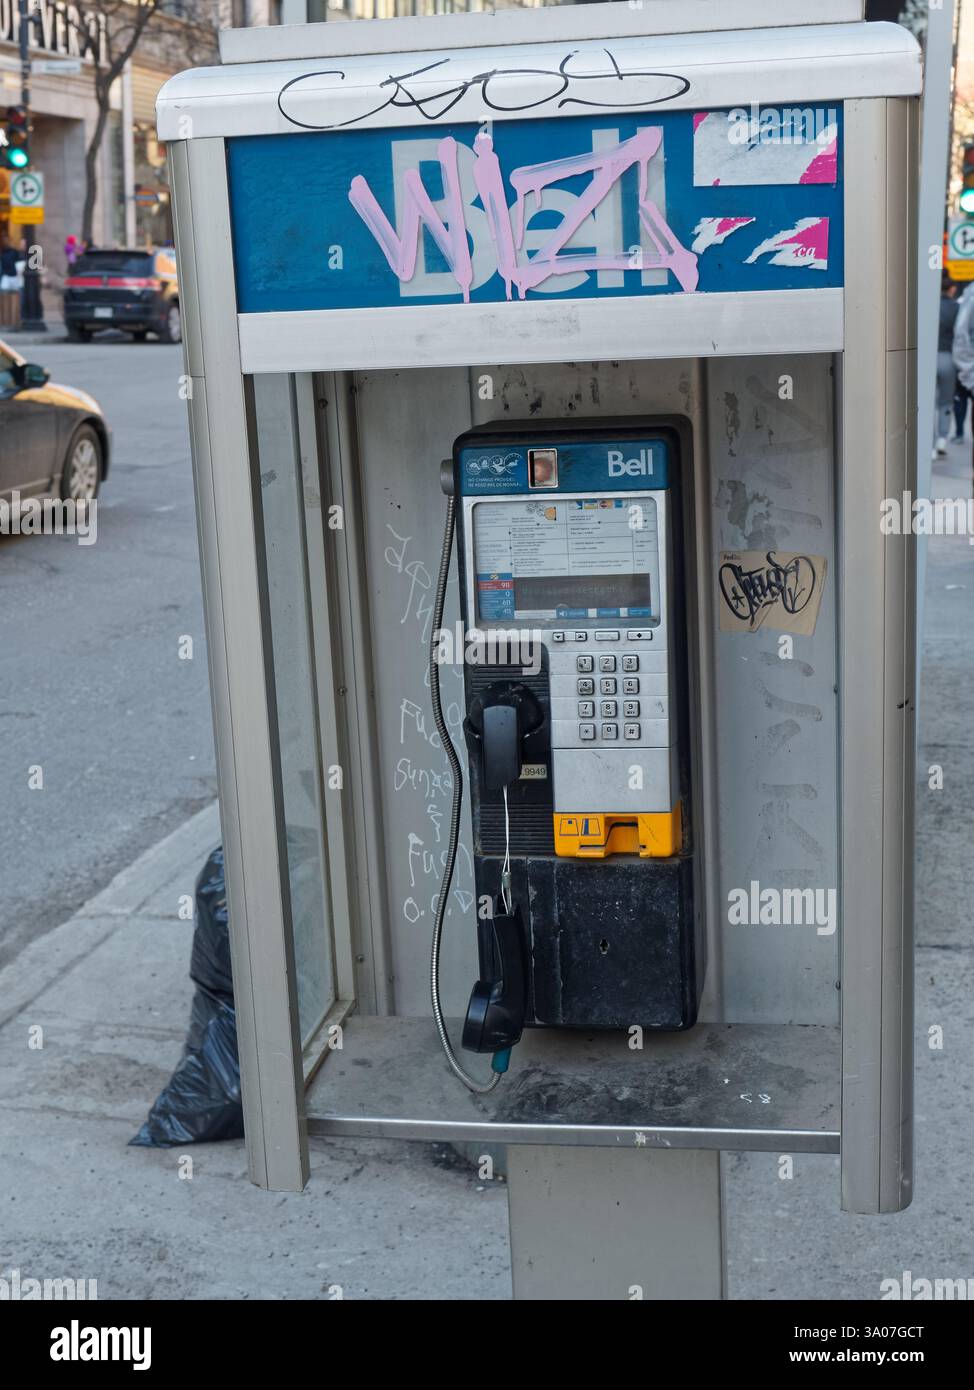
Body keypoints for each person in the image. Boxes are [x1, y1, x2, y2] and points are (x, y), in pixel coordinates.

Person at [936, 277, 961, 456]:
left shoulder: (930, 306)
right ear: (951, 289)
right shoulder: (956, 307)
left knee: (927, 402)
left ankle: (929, 446)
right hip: (949, 357)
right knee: (946, 402)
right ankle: (942, 439)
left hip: (930, 357)